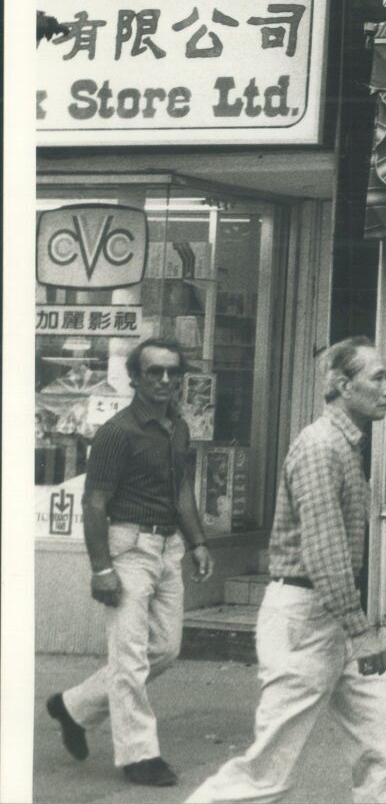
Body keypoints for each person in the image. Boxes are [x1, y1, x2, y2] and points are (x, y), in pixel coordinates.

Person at [187, 337, 386, 803]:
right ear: (341, 384)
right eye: (378, 378)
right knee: (269, 768)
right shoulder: (320, 448)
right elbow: (325, 552)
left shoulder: (344, 446)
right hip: (305, 617)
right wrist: (361, 630)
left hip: (330, 616)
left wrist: (352, 627)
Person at [47, 337, 213, 788]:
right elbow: (95, 502)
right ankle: (139, 756)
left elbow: (181, 491)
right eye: (154, 372)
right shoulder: (118, 432)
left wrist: (197, 541)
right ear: (135, 378)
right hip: (127, 546)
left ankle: (74, 706)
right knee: (130, 657)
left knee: (165, 649)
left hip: (168, 547)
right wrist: (101, 568)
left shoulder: (178, 428)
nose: (164, 380)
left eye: (172, 373)